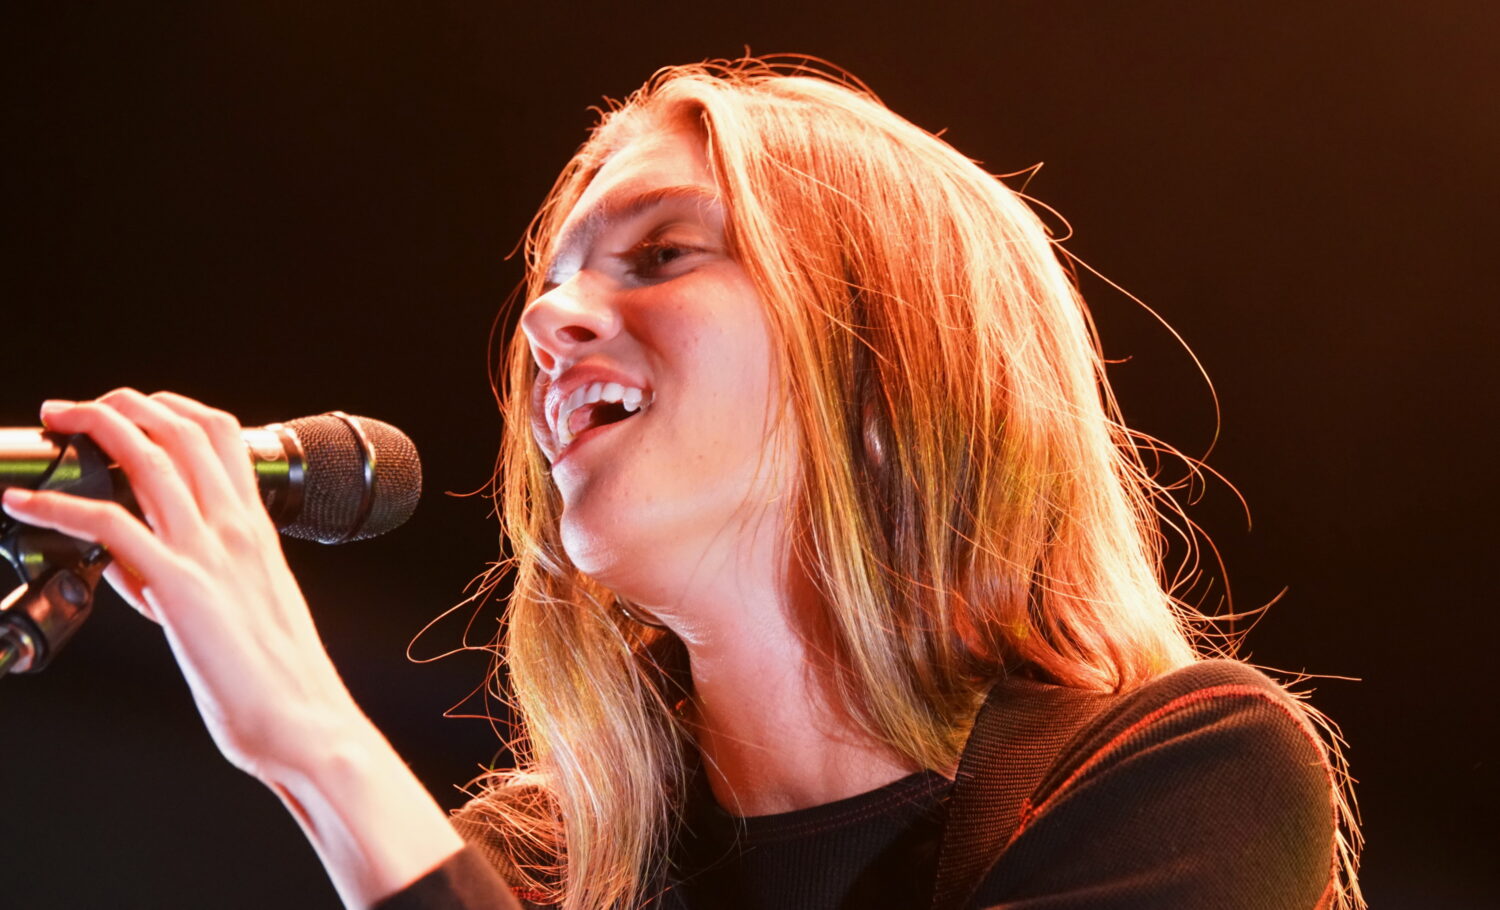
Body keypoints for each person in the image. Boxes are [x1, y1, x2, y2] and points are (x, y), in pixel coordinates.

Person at [0, 58, 1363, 909]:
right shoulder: (531, 873)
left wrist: (318, 740)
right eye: (549, 286)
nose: (551, 322)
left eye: (659, 255)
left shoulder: (1181, 783)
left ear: (888, 361)